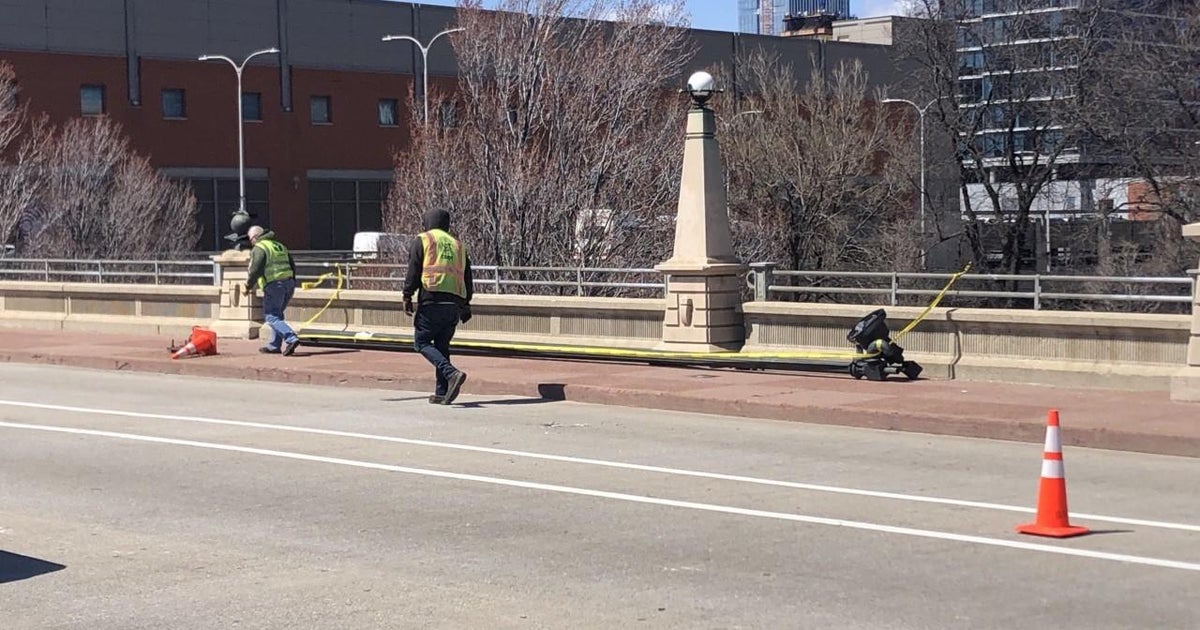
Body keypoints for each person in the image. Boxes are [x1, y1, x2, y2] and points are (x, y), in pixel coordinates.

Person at [403, 209, 474, 405]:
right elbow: (467, 277)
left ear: (426, 222)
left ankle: (451, 373)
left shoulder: (424, 240)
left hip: (431, 299)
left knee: (422, 342)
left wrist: (407, 295)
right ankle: (442, 392)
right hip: (453, 304)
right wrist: (466, 305)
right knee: (442, 346)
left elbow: (414, 269)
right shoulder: (458, 245)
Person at [243, 225, 300, 356]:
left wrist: (248, 285)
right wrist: (292, 281)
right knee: (278, 314)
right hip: (289, 283)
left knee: (271, 316)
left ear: (256, 237)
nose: (251, 242)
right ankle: (274, 345)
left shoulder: (260, 247)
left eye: (251, 239)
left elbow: (255, 269)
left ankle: (291, 338)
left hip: (274, 284)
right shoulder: (279, 245)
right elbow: (292, 264)